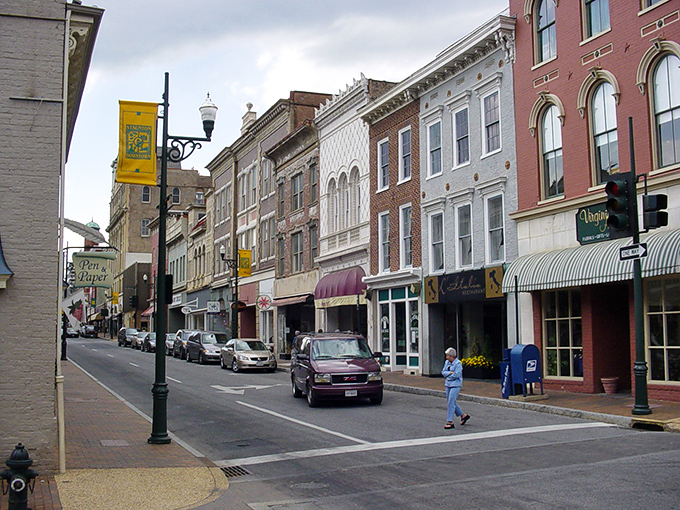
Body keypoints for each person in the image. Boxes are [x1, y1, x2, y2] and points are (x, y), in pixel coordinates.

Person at [441, 347, 470, 430]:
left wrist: (448, 375)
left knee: (451, 402)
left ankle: (450, 421)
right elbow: (443, 372)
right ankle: (463, 415)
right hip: (448, 384)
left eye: (447, 356)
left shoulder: (458, 363)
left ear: (451, 356)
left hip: (456, 385)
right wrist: (450, 373)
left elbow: (457, 374)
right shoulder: (447, 362)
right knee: (451, 401)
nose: (446, 357)